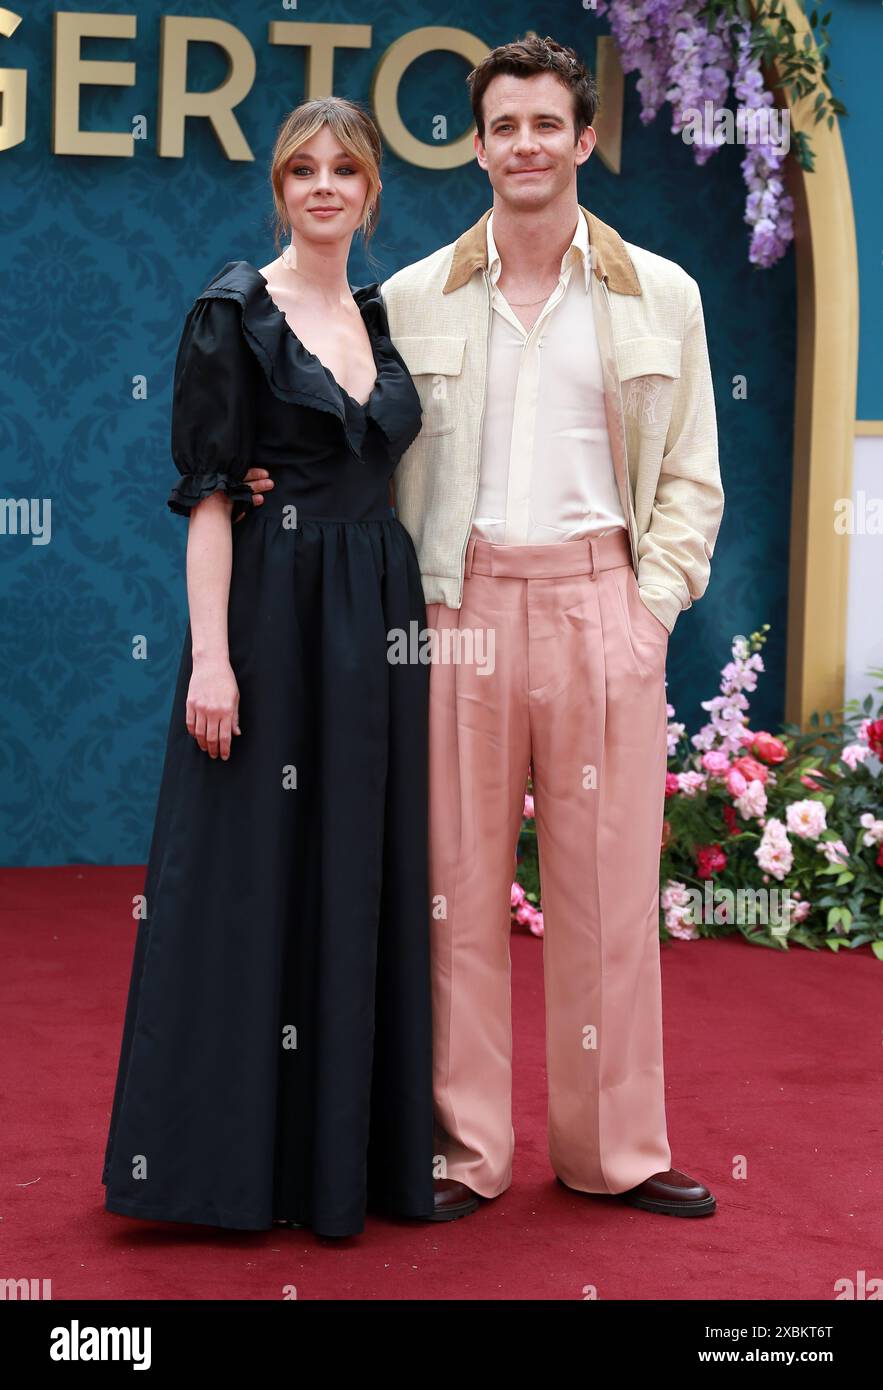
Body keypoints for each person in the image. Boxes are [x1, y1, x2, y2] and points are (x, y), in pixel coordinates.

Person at [246, 34, 725, 1219]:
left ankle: (612, 1150)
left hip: (601, 605)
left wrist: (647, 607)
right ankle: (463, 1151)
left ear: (583, 138)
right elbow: (337, 432)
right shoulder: (406, 296)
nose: (525, 145)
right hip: (452, 611)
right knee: (450, 893)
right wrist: (267, 480)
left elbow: (695, 482)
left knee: (610, 896)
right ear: (474, 144)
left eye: (545, 125)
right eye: (502, 126)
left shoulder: (662, 293)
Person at [101, 97, 452, 1237]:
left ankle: (341, 1163)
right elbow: (208, 499)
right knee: (247, 877)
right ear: (278, 189)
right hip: (269, 620)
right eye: (301, 169)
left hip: (374, 617)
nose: (323, 187)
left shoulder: (376, 312)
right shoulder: (229, 313)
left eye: (344, 169)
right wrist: (211, 659)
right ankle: (223, 1170)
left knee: (358, 868)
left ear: (370, 191)